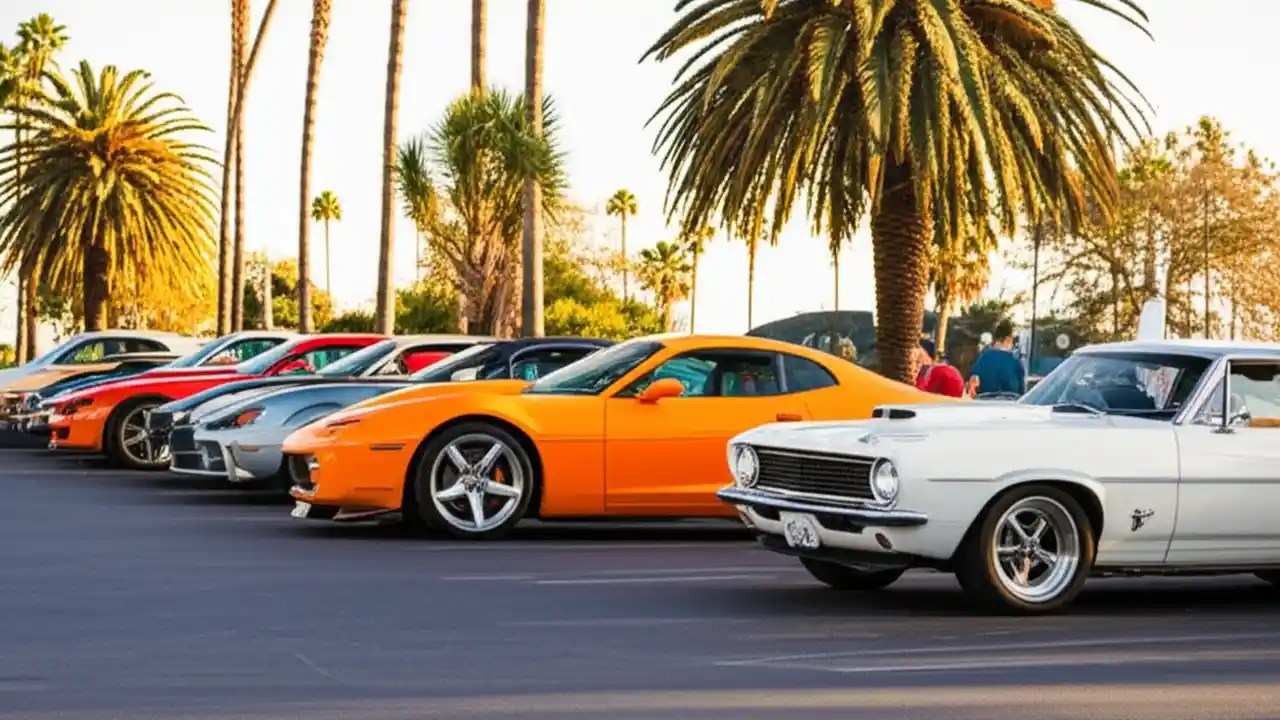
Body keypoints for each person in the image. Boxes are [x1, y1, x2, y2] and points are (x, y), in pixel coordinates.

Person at [968, 319, 1026, 397]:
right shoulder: (1015, 362)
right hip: (1009, 402)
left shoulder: (983, 358)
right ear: (1008, 339)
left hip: (984, 401)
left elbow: (973, 385)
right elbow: (1021, 392)